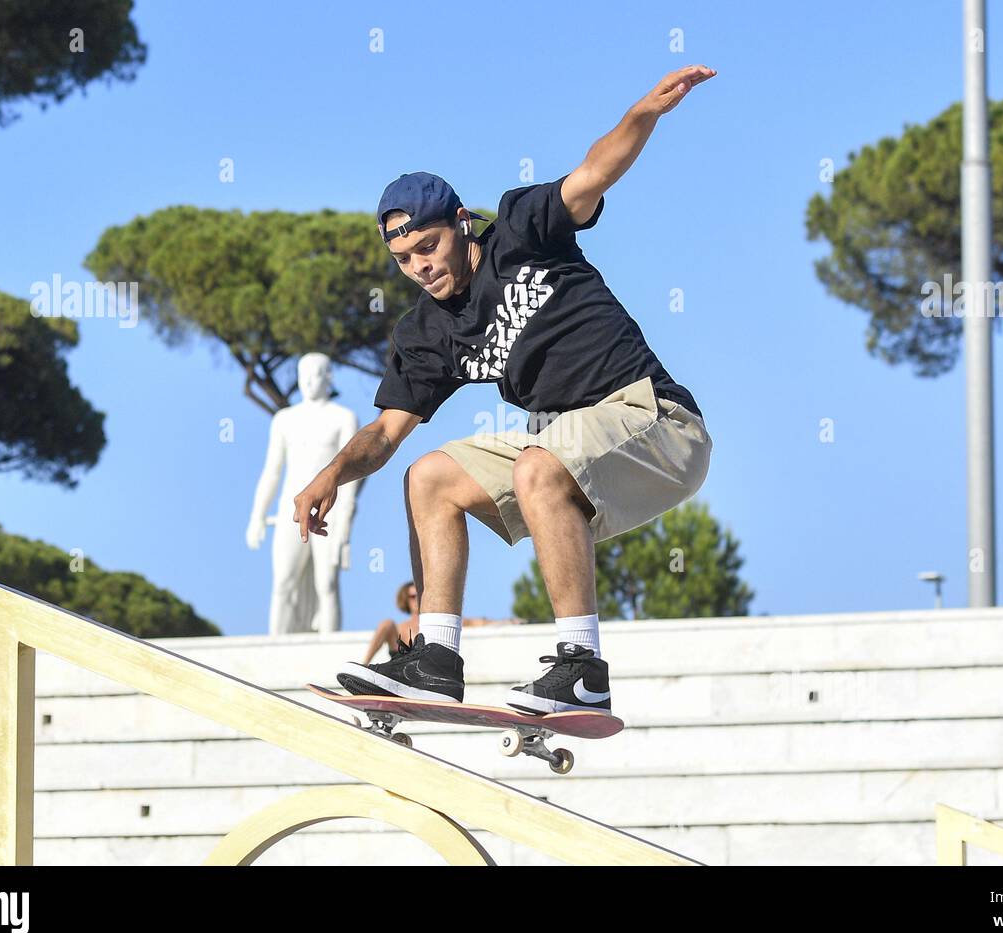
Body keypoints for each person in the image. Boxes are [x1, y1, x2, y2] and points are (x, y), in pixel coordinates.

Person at [293, 65, 716, 715]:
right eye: (405, 261)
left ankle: (583, 670)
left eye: (429, 247)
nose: (422, 268)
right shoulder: (428, 333)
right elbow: (384, 433)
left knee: (539, 465)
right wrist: (332, 473)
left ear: (461, 223)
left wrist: (643, 115)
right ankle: (435, 657)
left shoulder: (522, 231)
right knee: (429, 475)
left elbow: (593, 173)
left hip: (657, 422)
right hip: (568, 446)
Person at [361, 580, 520, 665]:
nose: (416, 599)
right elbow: (384, 628)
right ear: (405, 599)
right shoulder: (397, 628)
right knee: (386, 623)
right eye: (412, 596)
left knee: (449, 621)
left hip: (424, 668)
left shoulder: (436, 622)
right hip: (399, 667)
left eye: (419, 595)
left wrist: (508, 621)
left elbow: (477, 622)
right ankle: (364, 666)